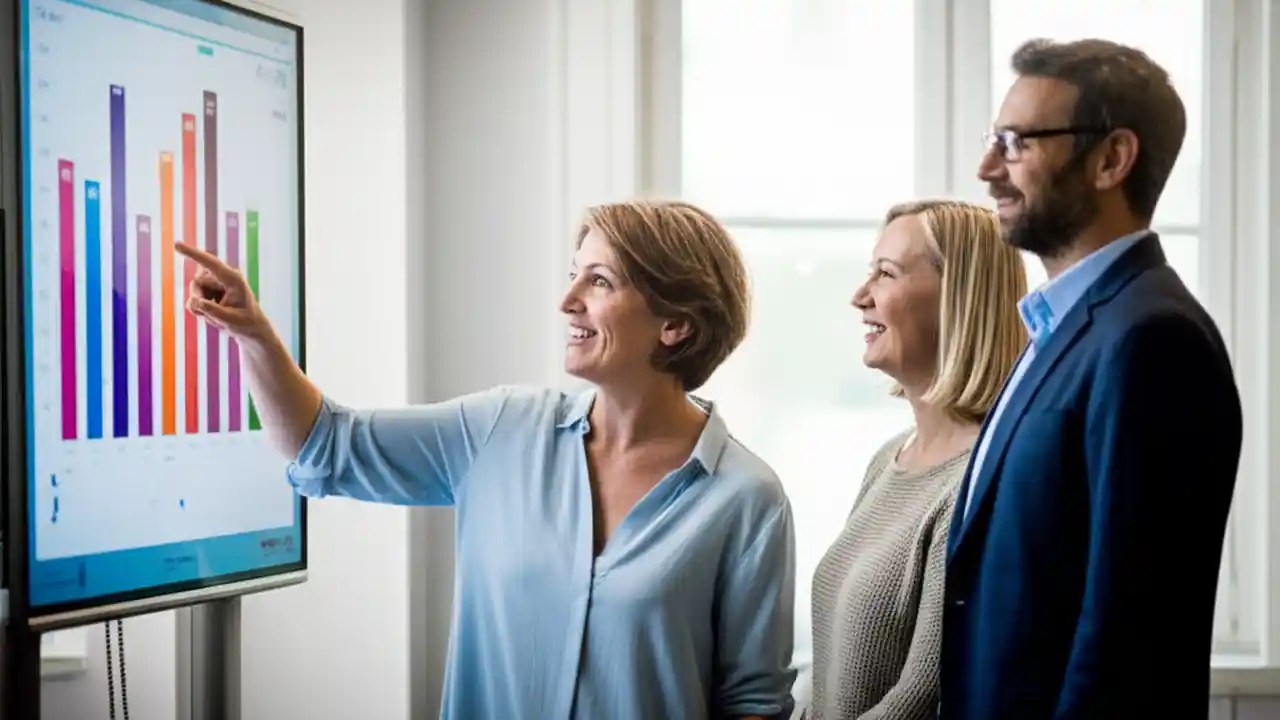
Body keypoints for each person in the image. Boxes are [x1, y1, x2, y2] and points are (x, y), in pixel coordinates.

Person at [176, 200, 797, 720]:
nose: (567, 300)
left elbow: (752, 705)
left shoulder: (745, 499)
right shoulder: (501, 429)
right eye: (574, 273)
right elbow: (326, 445)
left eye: (600, 281)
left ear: (676, 327)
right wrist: (253, 334)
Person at [940, 38, 1243, 719]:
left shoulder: (1152, 338)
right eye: (994, 139)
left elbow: (1131, 635)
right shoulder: (1062, 329)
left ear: (1111, 159)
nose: (987, 167)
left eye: (1016, 143)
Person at [804, 200, 1026, 720]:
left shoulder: (983, 480)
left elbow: (921, 699)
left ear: (960, 298)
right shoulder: (889, 459)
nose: (860, 297)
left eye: (886, 274)